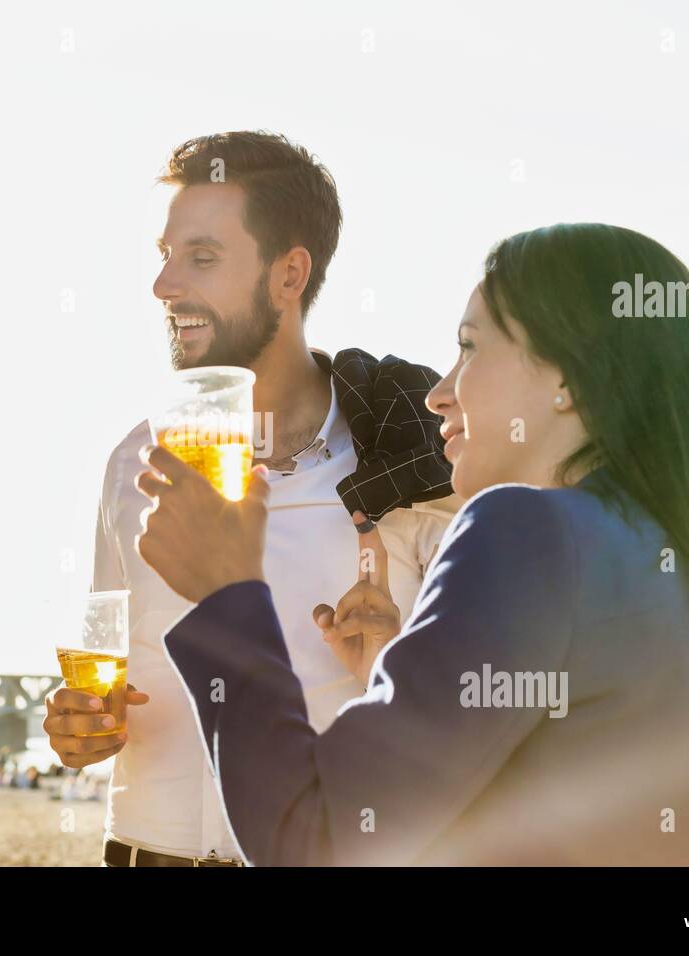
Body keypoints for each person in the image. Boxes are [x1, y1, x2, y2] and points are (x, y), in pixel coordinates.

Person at [135, 222, 689, 865]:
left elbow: (316, 836)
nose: (438, 394)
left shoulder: (528, 533)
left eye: (469, 348)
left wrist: (226, 593)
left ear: (567, 379)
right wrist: (411, 675)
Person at [43, 131, 461, 867]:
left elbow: (467, 718)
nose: (165, 286)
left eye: (201, 258)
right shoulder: (130, 463)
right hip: (144, 852)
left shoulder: (411, 467)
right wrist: (80, 724)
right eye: (165, 255)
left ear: (289, 274)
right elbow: (109, 663)